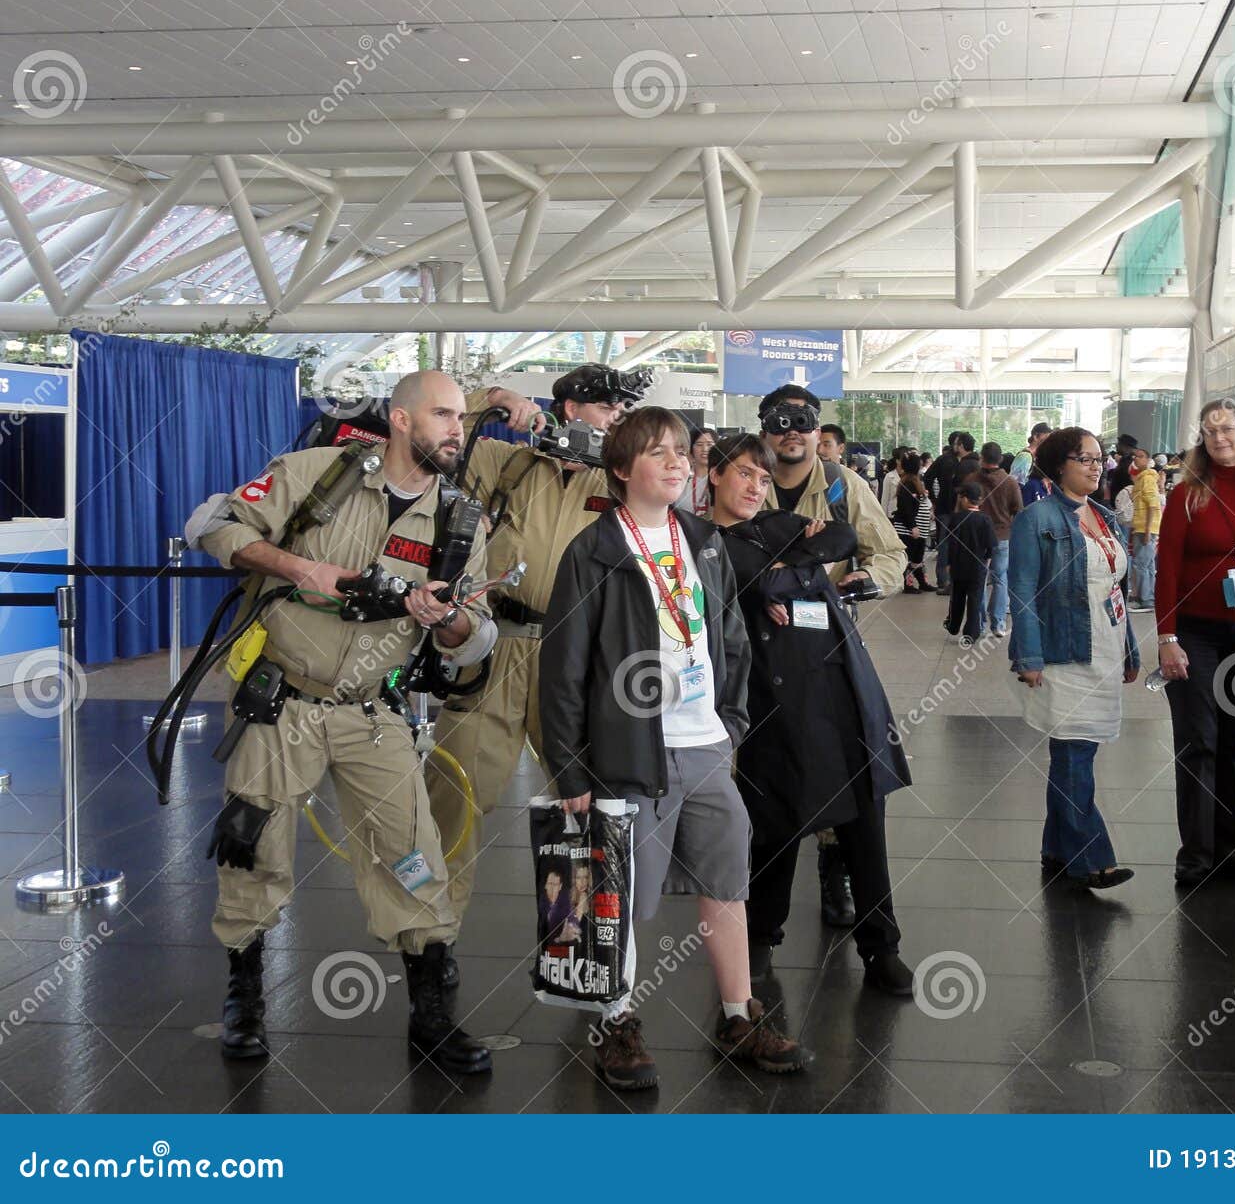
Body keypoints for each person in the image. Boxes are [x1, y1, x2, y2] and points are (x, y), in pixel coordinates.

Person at [188, 371, 497, 1074]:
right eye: (443, 415)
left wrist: (445, 617)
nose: (458, 429)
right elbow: (214, 526)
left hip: (374, 713)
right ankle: (245, 997)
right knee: (253, 845)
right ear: (401, 419)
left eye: (461, 417)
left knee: (413, 854)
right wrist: (301, 568)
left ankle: (431, 1012)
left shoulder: (461, 521)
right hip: (281, 702)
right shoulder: (316, 474)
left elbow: (476, 635)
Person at [540, 407, 807, 1090]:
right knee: (620, 896)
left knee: (727, 881)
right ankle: (616, 1021)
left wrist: (730, 721)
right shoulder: (594, 551)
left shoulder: (704, 541)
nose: (676, 462)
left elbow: (730, 638)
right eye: (657, 452)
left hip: (707, 745)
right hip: (632, 752)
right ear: (621, 468)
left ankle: (738, 1014)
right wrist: (570, 768)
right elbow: (563, 669)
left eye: (683, 451)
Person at [432, 363, 636, 947]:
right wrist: (499, 398)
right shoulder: (509, 462)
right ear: (569, 409)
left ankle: (585, 939)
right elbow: (441, 434)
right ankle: (432, 940)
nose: (616, 419)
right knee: (455, 793)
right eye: (608, 407)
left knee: (587, 798)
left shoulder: (619, 481)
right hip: (494, 647)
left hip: (577, 657)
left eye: (622, 411)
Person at [708, 434, 915, 996]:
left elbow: (842, 535)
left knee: (864, 819)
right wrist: (791, 570)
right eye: (744, 474)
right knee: (774, 822)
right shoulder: (703, 540)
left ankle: (882, 946)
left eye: (763, 478)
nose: (755, 487)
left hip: (840, 682)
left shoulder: (774, 523)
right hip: (772, 697)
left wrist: (787, 567)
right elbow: (753, 579)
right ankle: (759, 940)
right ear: (715, 475)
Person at [758, 383, 906, 929]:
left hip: (825, 650)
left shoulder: (844, 486)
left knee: (841, 766)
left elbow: (889, 551)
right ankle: (759, 918)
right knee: (765, 772)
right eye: (780, 421)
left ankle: (835, 866)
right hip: (756, 649)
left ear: (818, 431)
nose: (792, 432)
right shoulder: (745, 480)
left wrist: (862, 580)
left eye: (803, 421)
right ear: (764, 430)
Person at [1009, 428, 1139, 888]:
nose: (1095, 466)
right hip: (1062, 650)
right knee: (1074, 753)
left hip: (1105, 646)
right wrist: (1029, 655)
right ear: (1058, 465)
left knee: (1074, 753)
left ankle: (1056, 849)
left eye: (1099, 458)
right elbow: (1022, 590)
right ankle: (1090, 857)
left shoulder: (1104, 515)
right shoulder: (1036, 518)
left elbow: (1116, 589)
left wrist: (1130, 648)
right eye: (1084, 458)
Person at [1155, 398, 1235, 888]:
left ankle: (1228, 847)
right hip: (1193, 632)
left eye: (1228, 429)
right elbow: (1167, 568)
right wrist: (1167, 636)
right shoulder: (1187, 494)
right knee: (1199, 741)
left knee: (1234, 743)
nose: (1219, 438)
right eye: (1210, 430)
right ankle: (1196, 853)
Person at [970, 441, 1023, 637]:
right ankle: (998, 623)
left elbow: (961, 508)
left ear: (981, 457)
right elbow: (1018, 510)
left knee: (979, 580)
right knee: (1000, 579)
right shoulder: (1009, 482)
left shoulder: (972, 480)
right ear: (1000, 459)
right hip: (1002, 536)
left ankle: (979, 624)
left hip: (977, 537)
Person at [943, 483, 996, 643]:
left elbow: (951, 544)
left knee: (957, 597)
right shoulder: (985, 520)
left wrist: (949, 563)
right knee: (975, 600)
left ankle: (953, 625)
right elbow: (991, 545)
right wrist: (987, 561)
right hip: (977, 567)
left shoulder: (956, 518)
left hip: (958, 566)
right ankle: (970, 634)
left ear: (965, 499)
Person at [926, 432, 975, 592]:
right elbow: (928, 477)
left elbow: (928, 477)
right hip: (948, 508)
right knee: (946, 544)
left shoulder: (963, 461)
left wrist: (934, 498)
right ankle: (945, 580)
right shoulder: (947, 460)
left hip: (951, 508)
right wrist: (934, 498)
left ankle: (949, 580)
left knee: (949, 544)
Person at [891, 451, 936, 593]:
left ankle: (921, 582)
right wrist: (913, 526)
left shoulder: (913, 481)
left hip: (917, 527)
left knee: (917, 557)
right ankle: (908, 584)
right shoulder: (909, 483)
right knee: (911, 557)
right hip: (910, 528)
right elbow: (906, 507)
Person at [1127, 447, 1162, 610]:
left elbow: (1152, 505)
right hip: (1144, 527)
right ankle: (1148, 597)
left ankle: (1145, 599)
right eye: (1135, 456)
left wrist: (1148, 530)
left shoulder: (1147, 479)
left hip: (1145, 528)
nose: (1136, 458)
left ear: (1148, 460)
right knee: (1147, 565)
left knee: (1140, 564)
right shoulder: (1142, 478)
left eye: (1140, 456)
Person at [676, 425, 715, 518]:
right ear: (691, 448)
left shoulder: (722, 479)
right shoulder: (680, 478)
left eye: (709, 444)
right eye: (699, 444)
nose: (705, 449)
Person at [1012, 421, 1052, 486]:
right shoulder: (1024, 456)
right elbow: (1015, 483)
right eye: (1046, 438)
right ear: (1035, 437)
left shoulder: (1038, 456)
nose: (1049, 442)